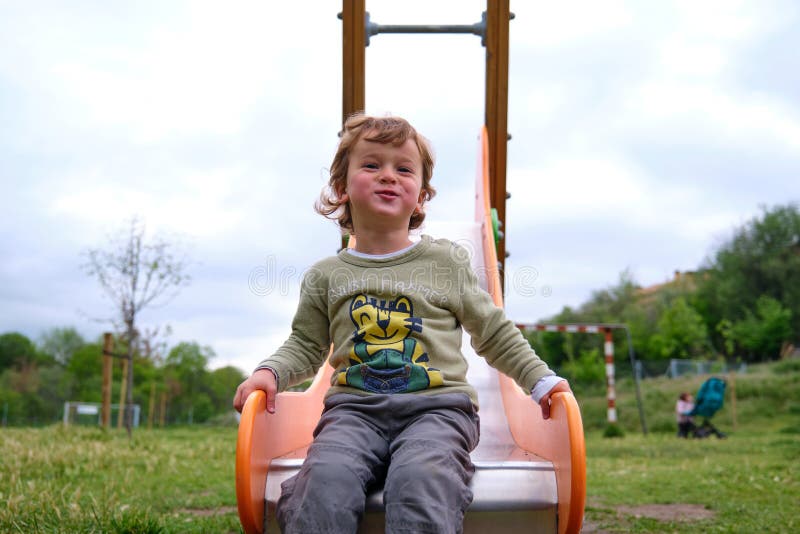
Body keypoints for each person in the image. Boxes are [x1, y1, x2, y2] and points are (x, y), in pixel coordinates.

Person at [233, 114, 571, 534]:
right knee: (324, 482)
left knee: (421, 482)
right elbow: (305, 344)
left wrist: (541, 380)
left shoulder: (445, 262)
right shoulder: (326, 276)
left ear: (421, 197)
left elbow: (494, 331)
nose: (388, 176)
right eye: (372, 165)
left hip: (439, 410)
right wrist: (270, 372)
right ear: (341, 187)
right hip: (353, 412)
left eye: (403, 168)